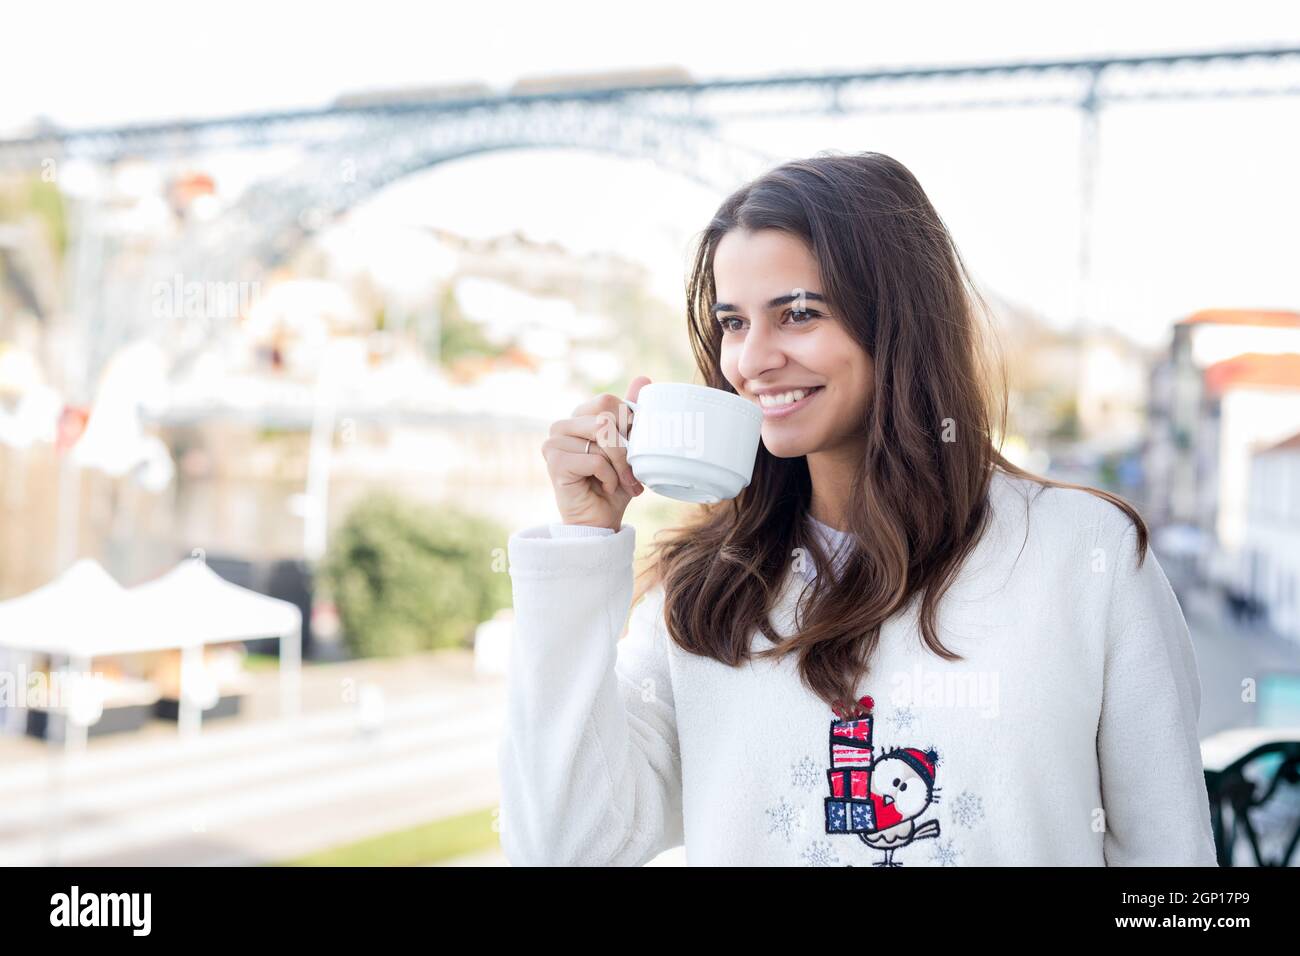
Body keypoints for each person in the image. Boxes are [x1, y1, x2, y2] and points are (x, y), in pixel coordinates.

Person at [497, 151, 1218, 867]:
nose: (751, 360)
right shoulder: (701, 594)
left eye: (799, 314)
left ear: (899, 319)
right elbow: (563, 845)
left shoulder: (1087, 559)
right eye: (734, 322)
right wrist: (583, 544)